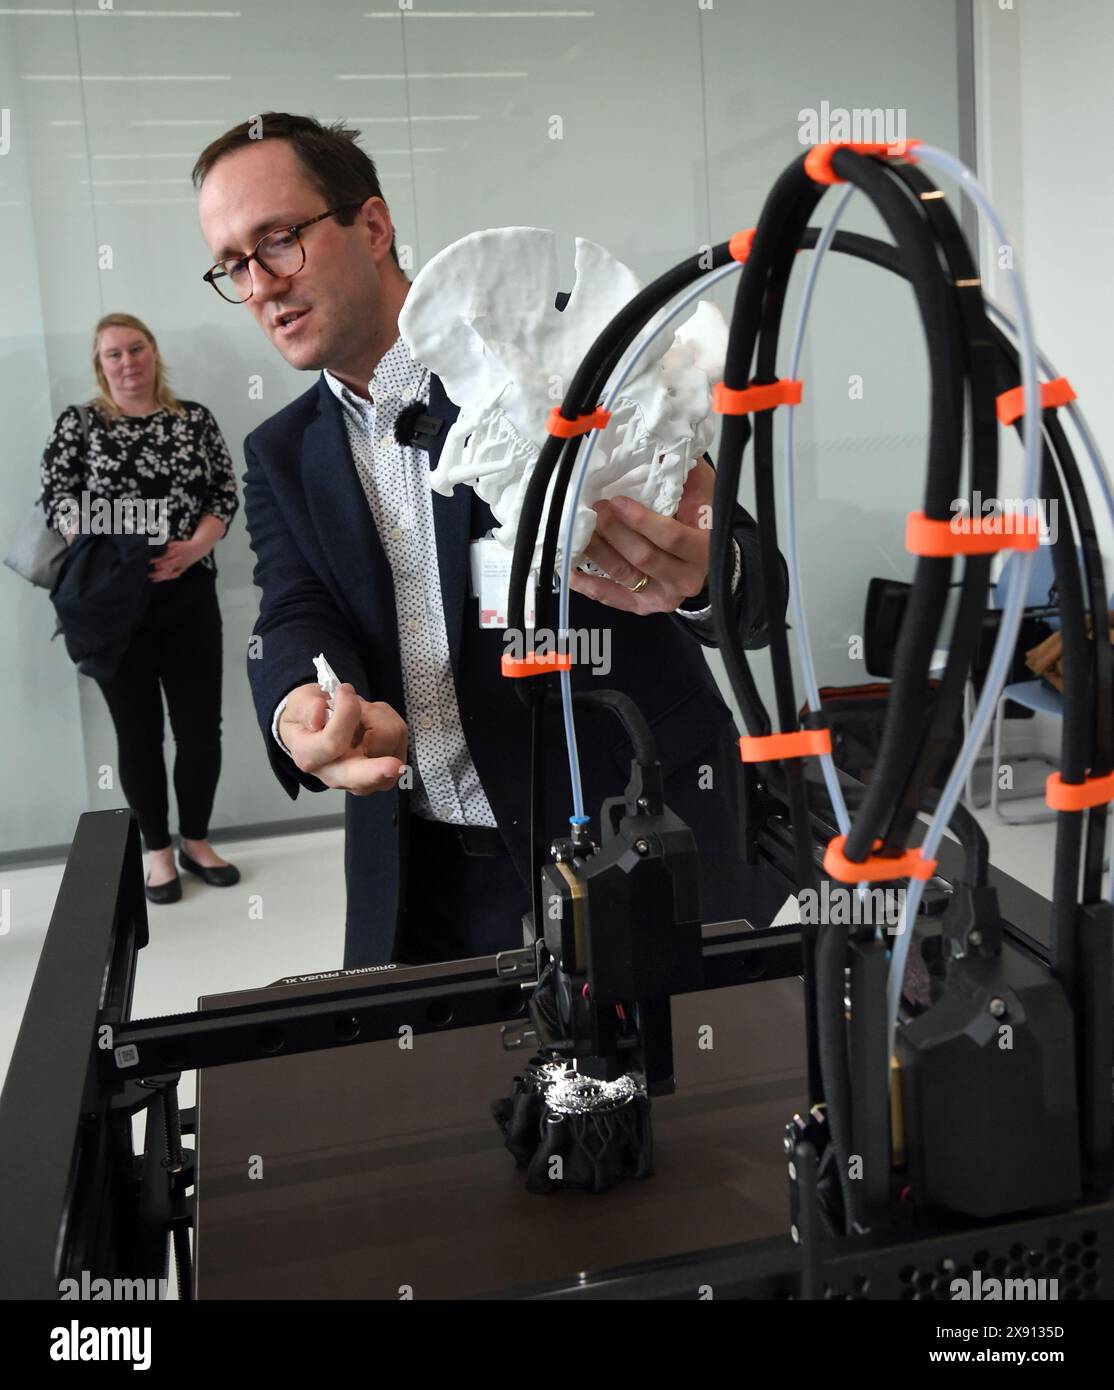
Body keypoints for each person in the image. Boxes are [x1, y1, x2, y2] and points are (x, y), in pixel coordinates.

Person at [193, 112, 789, 968]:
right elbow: (294, 605)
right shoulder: (282, 454)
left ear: (371, 225)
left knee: (699, 1084)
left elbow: (750, 581)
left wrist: (703, 573)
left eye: (278, 241)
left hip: (635, 828)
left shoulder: (550, 367)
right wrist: (297, 712)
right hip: (428, 874)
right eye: (232, 266)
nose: (261, 286)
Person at [40, 313, 241, 905]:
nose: (127, 363)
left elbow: (224, 494)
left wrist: (195, 546)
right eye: (113, 355)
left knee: (202, 730)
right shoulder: (80, 424)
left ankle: (196, 842)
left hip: (189, 596)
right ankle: (157, 851)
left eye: (136, 349)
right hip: (112, 605)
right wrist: (129, 546)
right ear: (99, 366)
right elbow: (59, 502)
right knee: (138, 734)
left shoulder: (194, 420)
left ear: (154, 352)